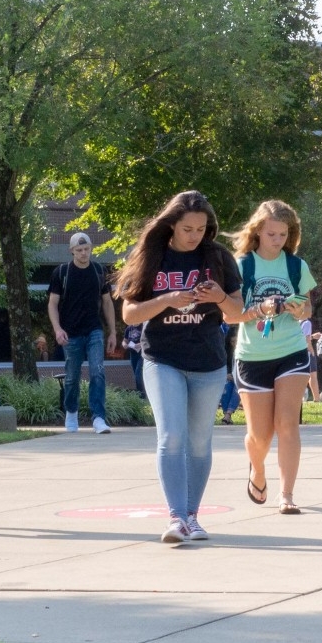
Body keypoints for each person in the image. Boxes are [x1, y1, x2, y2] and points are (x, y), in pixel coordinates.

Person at [117, 190, 243, 543]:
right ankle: (175, 518)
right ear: (172, 224)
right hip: (162, 358)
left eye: (201, 229)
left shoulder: (218, 257)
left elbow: (236, 312)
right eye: (188, 228)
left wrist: (217, 296)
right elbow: (129, 313)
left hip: (208, 362)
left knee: (200, 442)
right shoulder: (151, 256)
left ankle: (192, 515)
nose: (195, 235)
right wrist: (168, 300)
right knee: (172, 436)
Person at [227, 200, 316, 516]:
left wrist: (298, 308)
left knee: (288, 423)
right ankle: (258, 470)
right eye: (271, 234)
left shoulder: (296, 266)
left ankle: (287, 494)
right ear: (257, 231)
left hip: (291, 351)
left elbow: (307, 308)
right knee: (260, 436)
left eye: (283, 234)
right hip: (252, 356)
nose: (277, 240)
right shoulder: (242, 266)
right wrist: (261, 309)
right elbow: (231, 316)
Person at [48, 232, 118, 434]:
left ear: (91, 249)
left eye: (86, 249)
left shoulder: (98, 271)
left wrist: (112, 332)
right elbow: (52, 304)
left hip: (94, 329)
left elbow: (107, 302)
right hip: (70, 333)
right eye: (79, 250)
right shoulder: (62, 273)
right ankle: (71, 412)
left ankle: (98, 418)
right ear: (71, 251)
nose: (83, 253)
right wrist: (57, 329)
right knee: (72, 377)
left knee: (98, 372)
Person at [219, 323, 240, 424]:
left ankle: (227, 415)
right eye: (232, 342)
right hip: (230, 376)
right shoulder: (226, 351)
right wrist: (227, 375)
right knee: (226, 385)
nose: (235, 344)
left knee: (237, 388)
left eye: (237, 341)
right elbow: (224, 366)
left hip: (241, 378)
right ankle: (226, 415)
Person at [300, 317, 319, 401]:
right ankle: (317, 398)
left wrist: (312, 336)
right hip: (306, 352)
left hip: (296, 351)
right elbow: (307, 339)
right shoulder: (307, 323)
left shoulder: (295, 322)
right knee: (313, 375)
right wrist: (312, 351)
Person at [123, 323, 145, 394]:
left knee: (138, 373)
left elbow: (147, 340)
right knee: (135, 373)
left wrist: (140, 345)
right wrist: (125, 345)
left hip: (141, 354)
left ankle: (142, 394)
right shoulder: (129, 328)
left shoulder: (143, 326)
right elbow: (125, 340)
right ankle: (139, 393)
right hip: (132, 353)